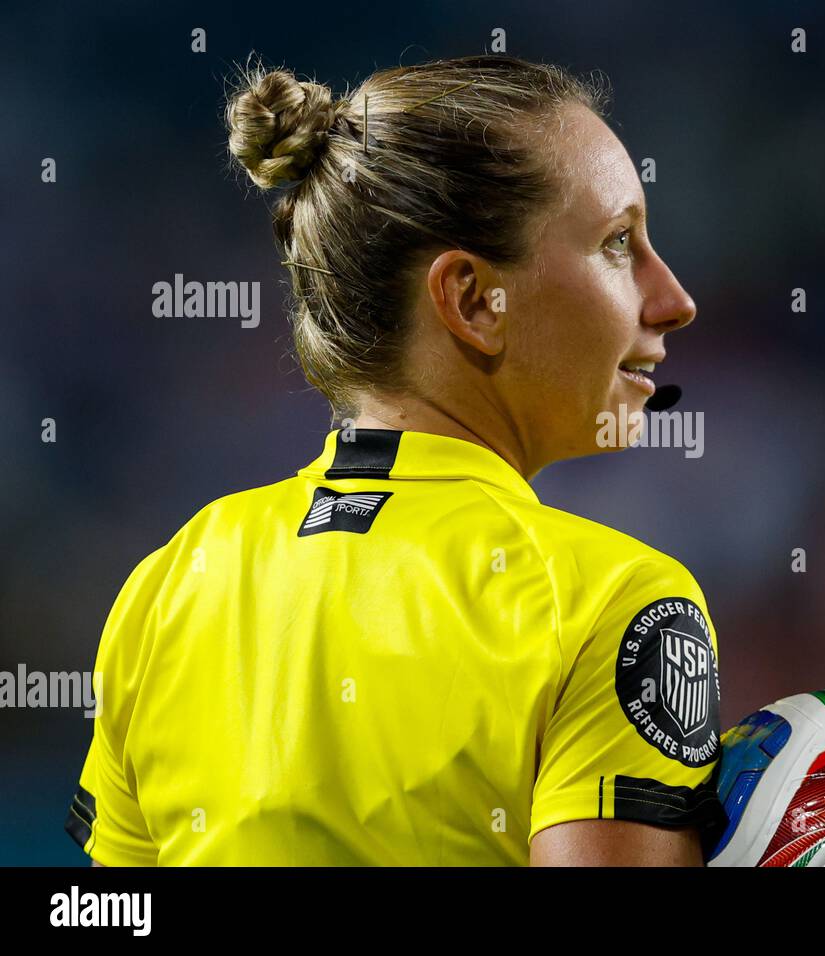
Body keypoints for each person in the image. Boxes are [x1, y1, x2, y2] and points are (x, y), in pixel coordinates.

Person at [63, 53, 724, 866]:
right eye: (619, 242)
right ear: (477, 301)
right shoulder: (616, 605)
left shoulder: (167, 587)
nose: (674, 299)